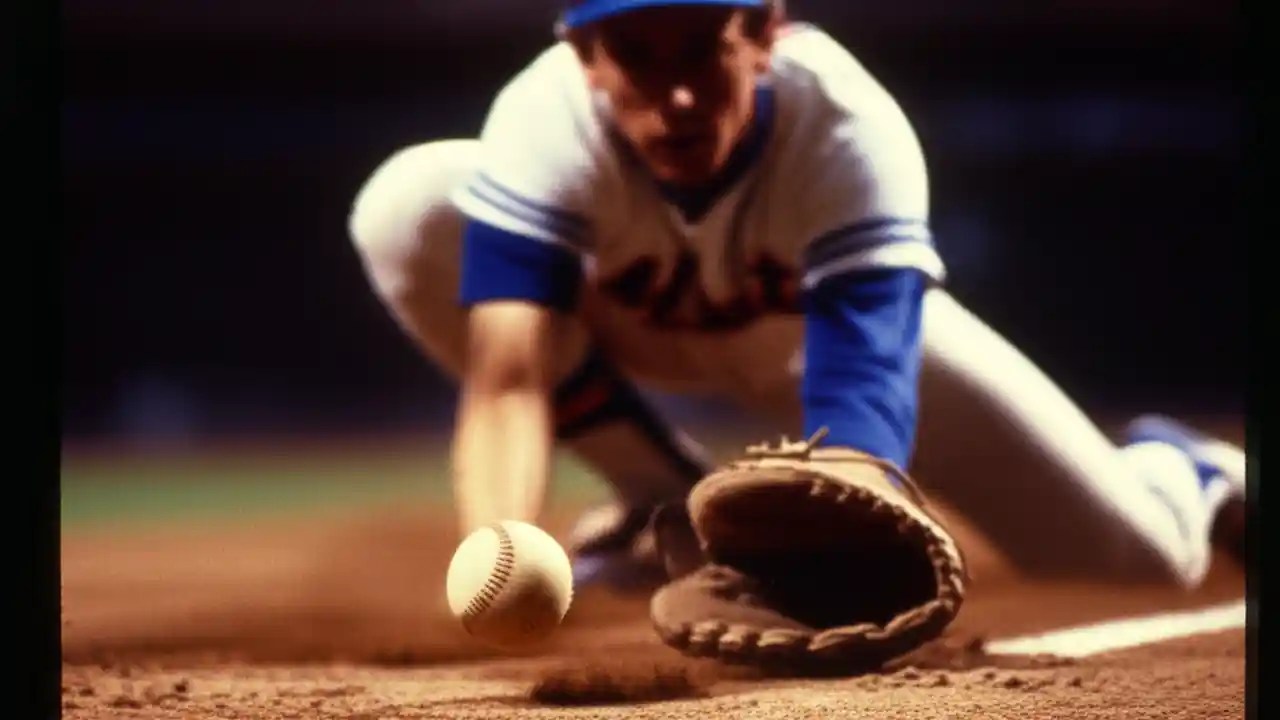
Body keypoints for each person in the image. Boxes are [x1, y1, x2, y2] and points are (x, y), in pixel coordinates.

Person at [347, 0, 1245, 600]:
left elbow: (864, 396)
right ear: (583, 56)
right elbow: (509, 380)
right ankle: (661, 496)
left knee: (1143, 560)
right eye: (638, 55)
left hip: (829, 344)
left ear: (766, 33)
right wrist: (500, 545)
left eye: (704, 46)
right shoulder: (542, 123)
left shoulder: (847, 126)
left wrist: (825, 549)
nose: (683, 94)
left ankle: (1184, 470)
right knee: (409, 204)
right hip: (643, 328)